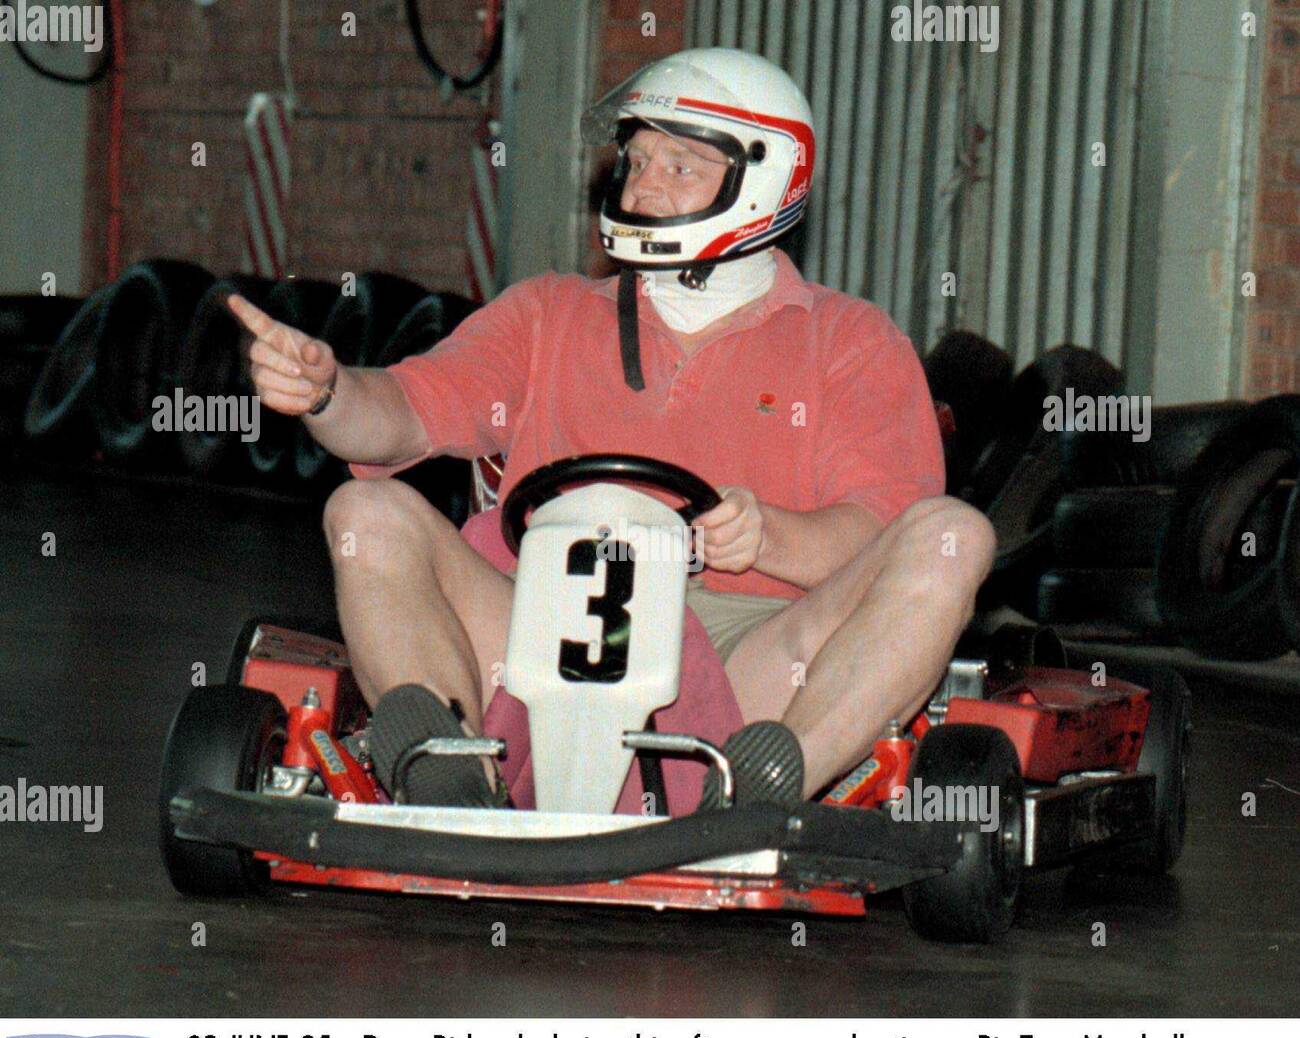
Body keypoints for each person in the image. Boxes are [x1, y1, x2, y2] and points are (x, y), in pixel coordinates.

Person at [227, 47, 995, 811]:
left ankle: (766, 791)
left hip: (751, 658)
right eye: (637, 161)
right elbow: (399, 418)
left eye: (679, 166)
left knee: (953, 535)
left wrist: (770, 537)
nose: (644, 185)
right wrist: (327, 392)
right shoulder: (549, 314)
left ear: (762, 180)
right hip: (534, 634)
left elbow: (885, 532)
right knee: (363, 511)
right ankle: (447, 769)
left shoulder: (851, 341)